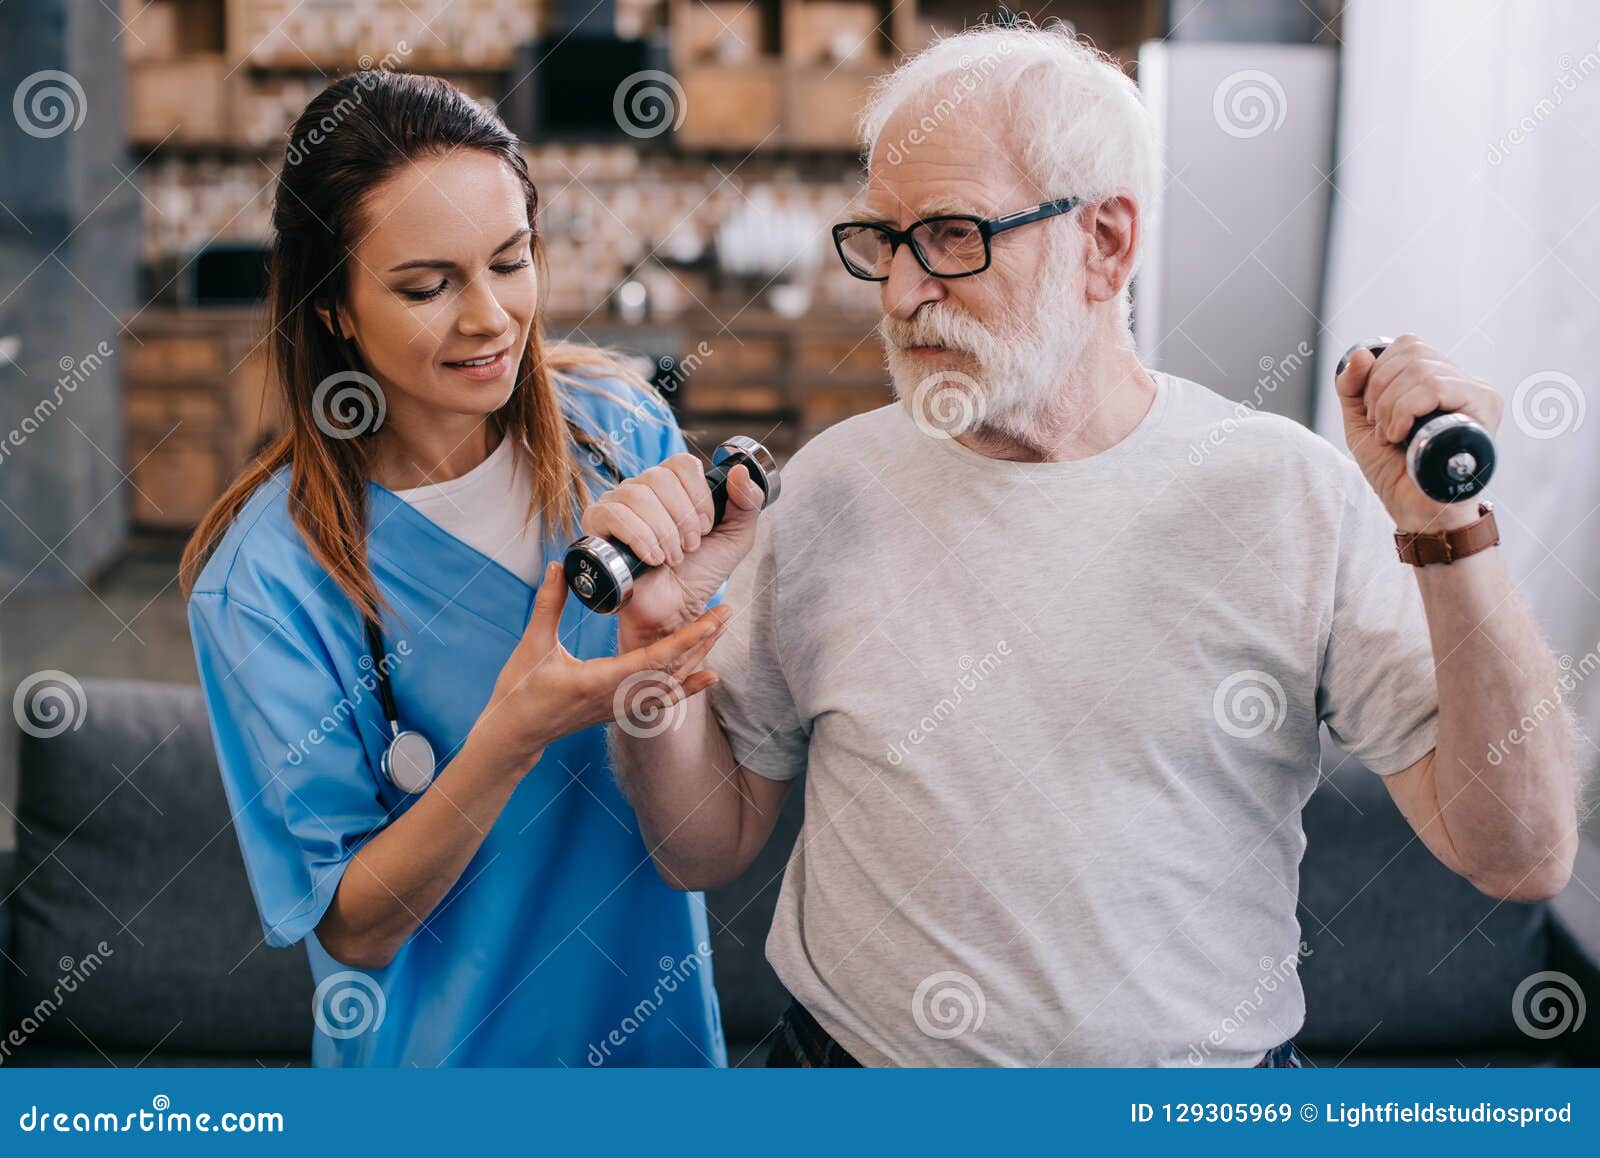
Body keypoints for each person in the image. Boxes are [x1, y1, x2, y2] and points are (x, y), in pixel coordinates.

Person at [589, 23, 1581, 1067]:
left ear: (1104, 242)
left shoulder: (1285, 491)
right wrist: (649, 657)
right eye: (884, 239)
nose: (898, 292)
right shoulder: (826, 488)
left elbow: (1518, 853)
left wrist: (1451, 537)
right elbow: (702, 847)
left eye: (953, 235)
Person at [182, 71, 733, 1067]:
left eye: (511, 261)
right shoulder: (265, 581)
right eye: (426, 286)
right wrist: (509, 736)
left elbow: (712, 779)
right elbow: (353, 927)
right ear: (333, 307)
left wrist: (693, 611)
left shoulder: (623, 431)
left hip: (660, 1060)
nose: (490, 318)